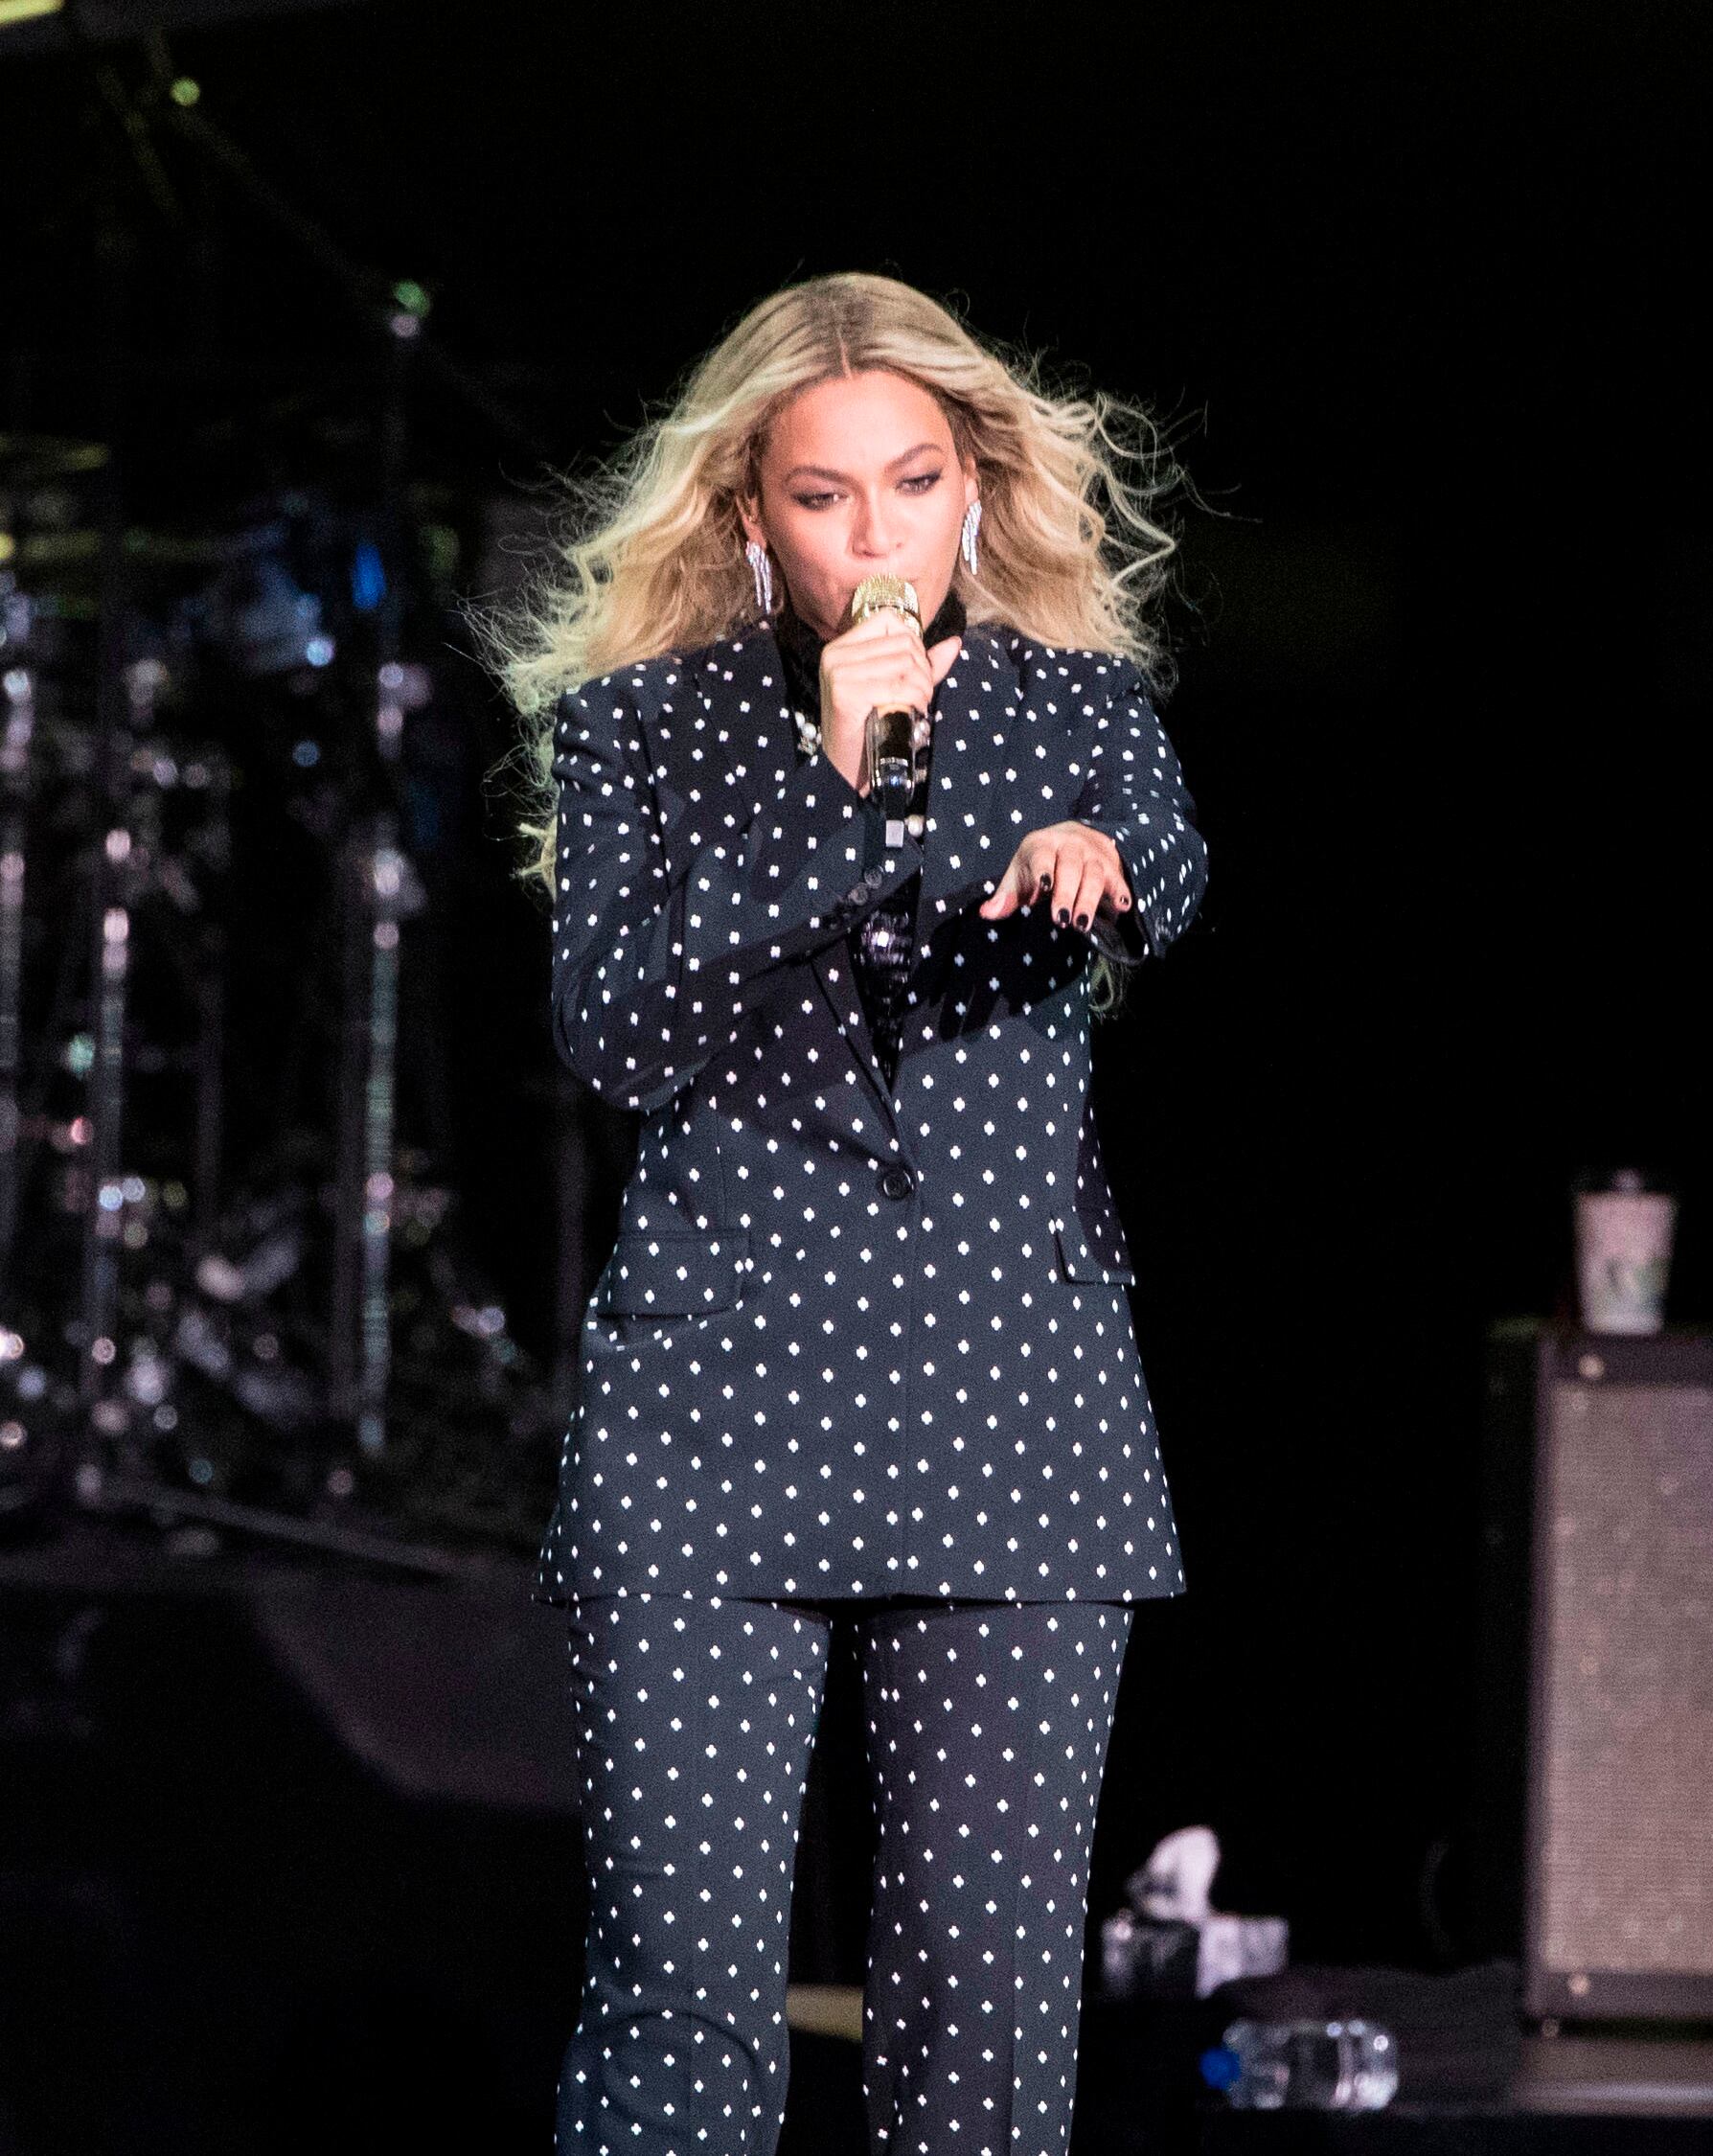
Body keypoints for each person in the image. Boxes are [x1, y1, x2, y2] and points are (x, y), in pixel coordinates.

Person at [492, 271, 1206, 2154]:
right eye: (823, 496)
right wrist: (827, 779)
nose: (874, 537)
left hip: (1011, 1403)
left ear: (975, 488)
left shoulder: (1076, 706)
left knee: (982, 2033)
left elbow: (1171, 867)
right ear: (750, 514)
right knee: (679, 2017)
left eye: (911, 483)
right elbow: (619, 1031)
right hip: (716, 1403)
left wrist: (1092, 854)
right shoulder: (642, 730)